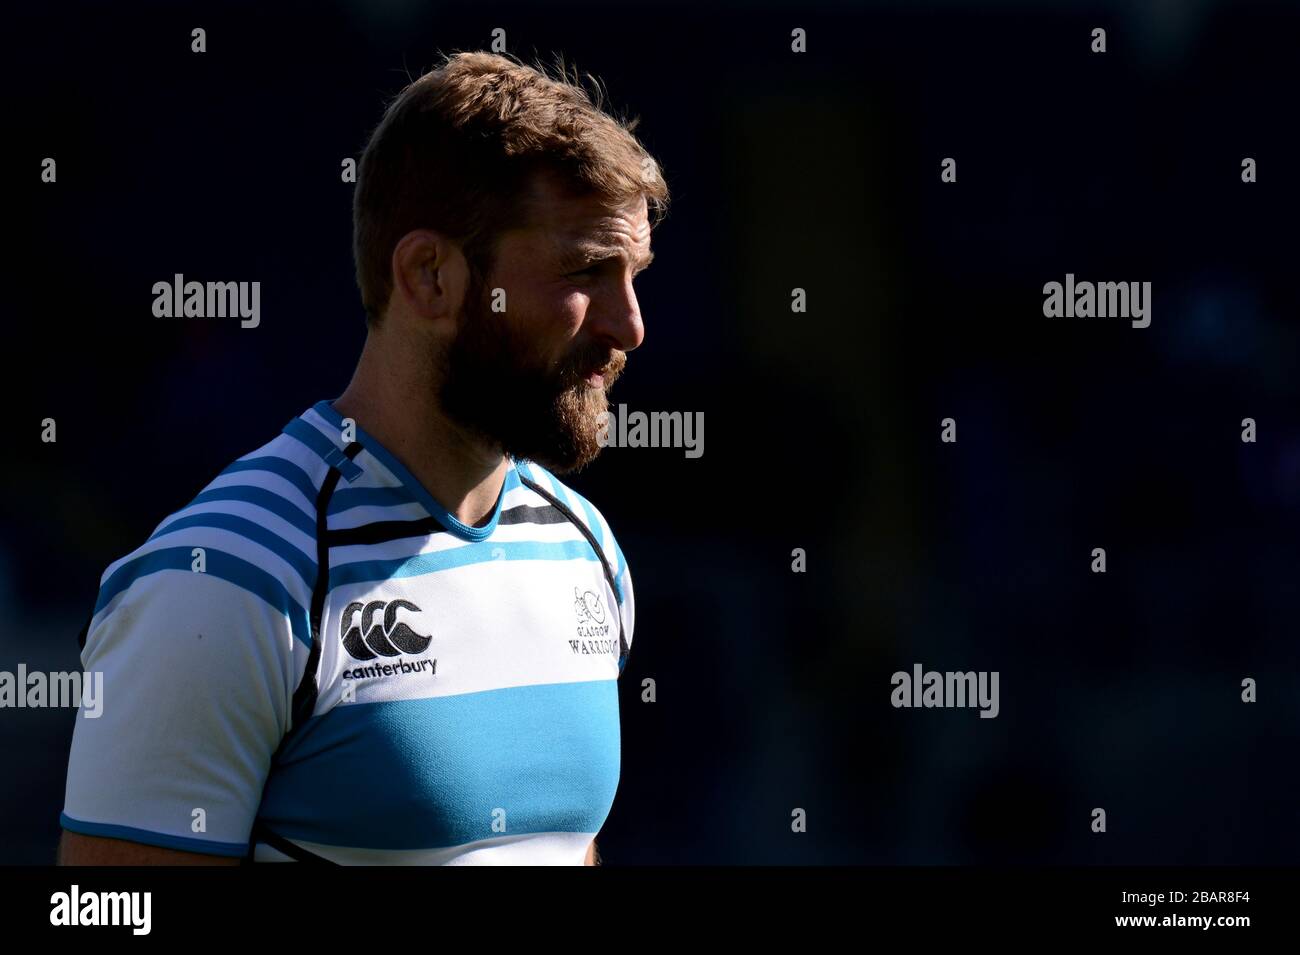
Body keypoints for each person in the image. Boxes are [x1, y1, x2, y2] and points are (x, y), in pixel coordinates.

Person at [58, 50, 668, 865]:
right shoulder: (224, 579)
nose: (630, 326)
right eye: (586, 270)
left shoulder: (584, 547)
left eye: (636, 275)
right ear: (428, 275)